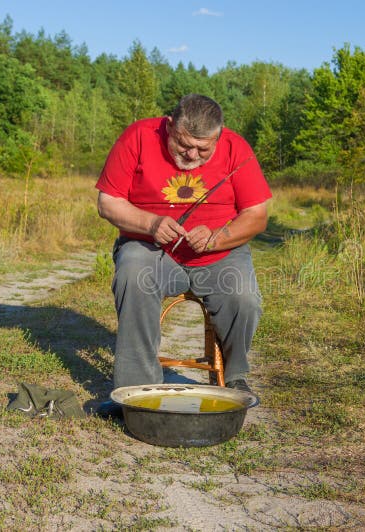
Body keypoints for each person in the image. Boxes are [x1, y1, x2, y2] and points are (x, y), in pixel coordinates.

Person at [94, 94, 271, 417]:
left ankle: (235, 378)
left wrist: (220, 238)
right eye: (183, 144)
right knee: (133, 273)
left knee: (243, 295)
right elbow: (108, 202)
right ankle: (137, 391)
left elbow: (257, 216)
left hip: (219, 253)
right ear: (170, 124)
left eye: (204, 149)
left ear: (219, 135)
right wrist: (151, 223)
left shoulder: (237, 148)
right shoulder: (138, 136)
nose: (192, 155)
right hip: (150, 249)